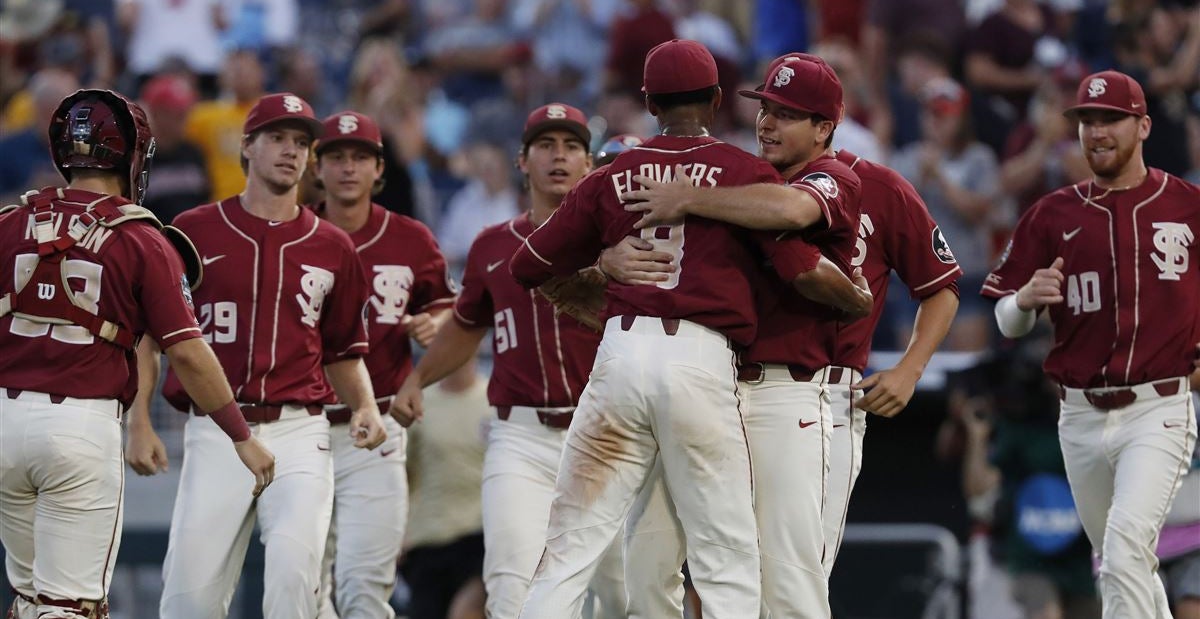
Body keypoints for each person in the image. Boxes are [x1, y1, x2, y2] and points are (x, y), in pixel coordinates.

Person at [507, 41, 868, 619]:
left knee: (569, 550)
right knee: (725, 559)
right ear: (719, 99)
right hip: (700, 362)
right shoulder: (745, 174)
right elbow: (800, 268)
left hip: (620, 356)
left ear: (649, 103)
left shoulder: (614, 173)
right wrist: (854, 297)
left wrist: (601, 271)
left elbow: (527, 265)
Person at [0, 88, 274, 619]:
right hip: (78, 426)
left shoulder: (11, 222)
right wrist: (241, 435)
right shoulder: (141, 236)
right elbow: (190, 354)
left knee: (30, 600)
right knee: (68, 605)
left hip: (3, 422)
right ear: (131, 155)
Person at [140, 92, 388, 619]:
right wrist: (139, 420)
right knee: (189, 601)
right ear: (246, 147)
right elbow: (150, 336)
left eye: (301, 142)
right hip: (215, 431)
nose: (290, 150)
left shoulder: (333, 245)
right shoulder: (191, 229)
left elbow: (344, 350)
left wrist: (364, 406)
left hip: (302, 430)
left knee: (294, 583)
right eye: (277, 137)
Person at [389, 102, 627, 619]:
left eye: (571, 147)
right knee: (511, 588)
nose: (558, 157)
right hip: (521, 435)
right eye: (546, 145)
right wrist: (418, 378)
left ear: (590, 164)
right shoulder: (492, 245)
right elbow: (466, 326)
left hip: (608, 431)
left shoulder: (617, 243)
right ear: (522, 161)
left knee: (624, 593)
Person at [982, 69, 1200, 617]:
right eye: (1087, 121)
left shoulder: (1188, 206)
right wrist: (1026, 300)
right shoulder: (1052, 214)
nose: (1097, 132)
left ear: (1143, 125)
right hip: (1078, 415)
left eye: (1111, 120)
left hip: (1159, 407)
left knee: (1125, 551)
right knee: (1121, 560)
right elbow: (1007, 319)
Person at [310, 110, 457, 619]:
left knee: (364, 587)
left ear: (378, 169)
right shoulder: (293, 232)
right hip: (301, 426)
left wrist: (435, 325)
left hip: (379, 429)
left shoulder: (411, 238)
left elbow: (447, 307)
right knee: (304, 589)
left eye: (360, 158)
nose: (348, 168)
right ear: (317, 167)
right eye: (336, 157)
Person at [400, 356, 492, 619]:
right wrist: (397, 533)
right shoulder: (419, 405)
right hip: (429, 539)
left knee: (467, 611)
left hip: (479, 537)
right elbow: (404, 475)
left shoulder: (495, 404)